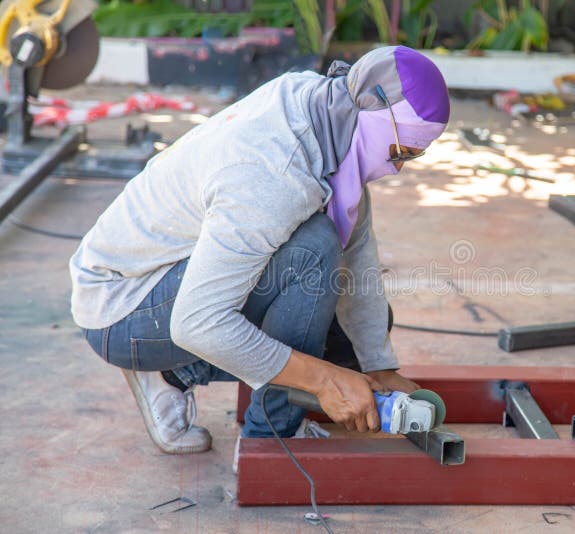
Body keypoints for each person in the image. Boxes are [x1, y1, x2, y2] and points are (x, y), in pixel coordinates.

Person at [69, 45, 450, 454]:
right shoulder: (273, 176)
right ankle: (271, 437)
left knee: (351, 340)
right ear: (374, 120)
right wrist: (324, 381)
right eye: (400, 152)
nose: (398, 168)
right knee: (313, 252)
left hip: (172, 280)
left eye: (413, 156)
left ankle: (175, 375)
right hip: (123, 309)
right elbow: (197, 323)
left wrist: (380, 366)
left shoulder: (332, 112)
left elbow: (356, 252)